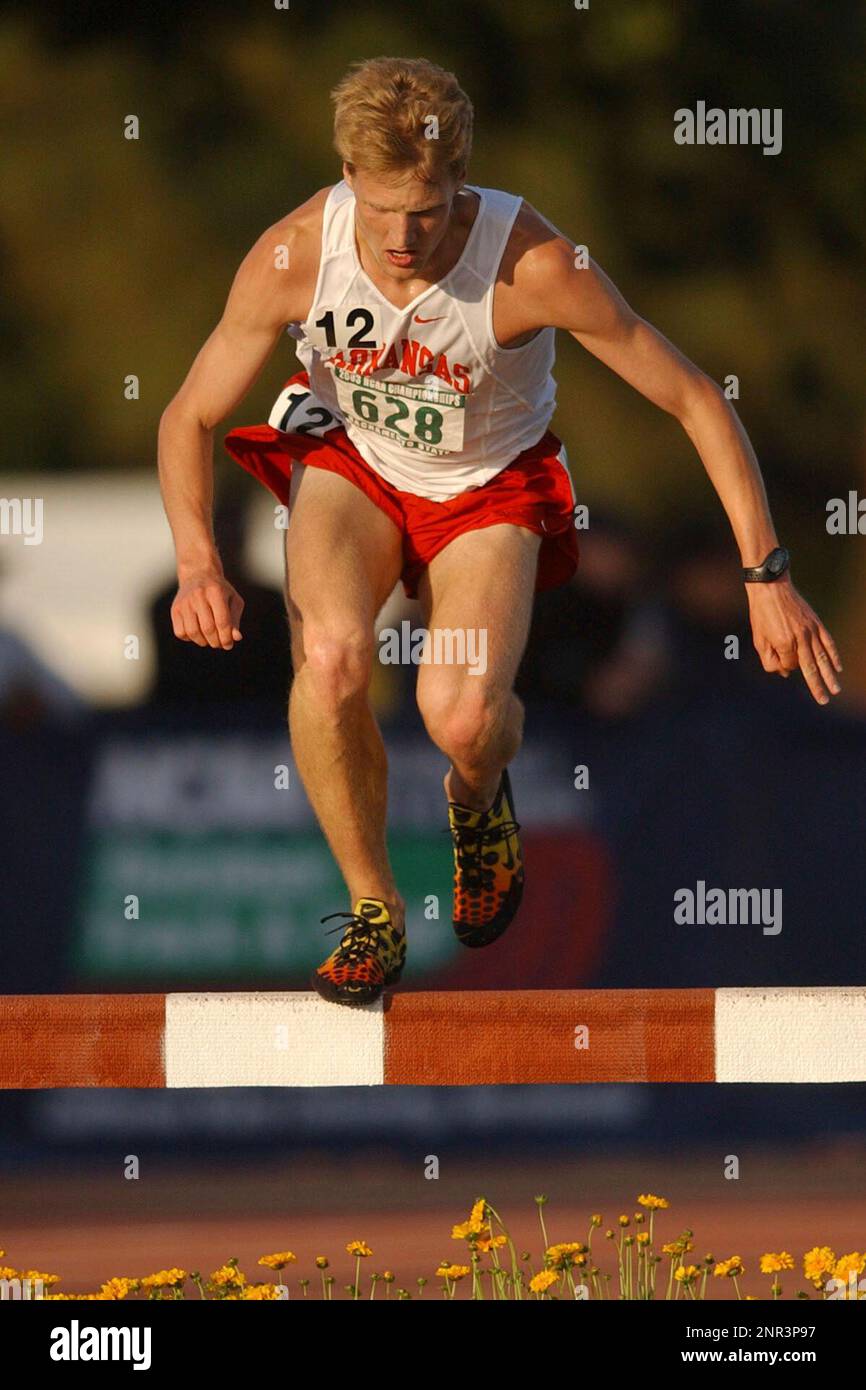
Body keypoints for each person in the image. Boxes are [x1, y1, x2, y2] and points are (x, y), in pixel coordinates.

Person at [158, 56, 842, 1007]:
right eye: (386, 209)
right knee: (331, 658)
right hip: (354, 464)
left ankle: (478, 805)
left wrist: (765, 574)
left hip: (488, 487)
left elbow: (694, 399)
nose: (405, 238)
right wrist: (197, 561)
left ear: (461, 181)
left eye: (430, 210)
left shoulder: (535, 265)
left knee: (462, 716)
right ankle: (373, 911)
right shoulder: (295, 254)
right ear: (349, 177)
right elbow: (187, 416)